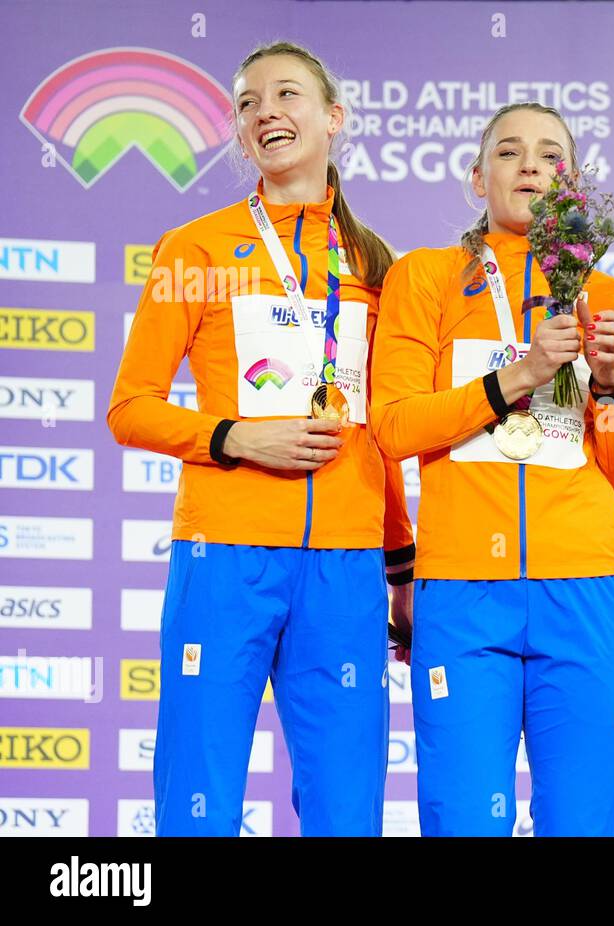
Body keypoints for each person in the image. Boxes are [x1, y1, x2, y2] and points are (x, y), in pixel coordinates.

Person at [107, 42, 414, 837]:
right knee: (198, 796)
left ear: (333, 118)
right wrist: (237, 438)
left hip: (345, 564)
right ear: (240, 132)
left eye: (286, 95)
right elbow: (130, 408)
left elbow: (380, 430)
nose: (265, 111)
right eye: (248, 102)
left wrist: (401, 566)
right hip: (225, 556)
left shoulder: (375, 263)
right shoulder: (195, 248)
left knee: (347, 810)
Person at [370, 102, 614, 837]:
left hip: (583, 590)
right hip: (463, 595)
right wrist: (517, 376)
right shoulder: (426, 278)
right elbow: (394, 426)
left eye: (552, 156)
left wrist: (611, 387)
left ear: (575, 184)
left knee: (585, 823)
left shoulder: (609, 298)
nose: (531, 166)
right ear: (476, 177)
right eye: (509, 152)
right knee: (464, 819)